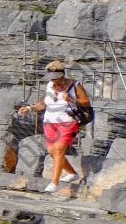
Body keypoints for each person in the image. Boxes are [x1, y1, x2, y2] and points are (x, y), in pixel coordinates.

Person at [17, 61, 92, 193]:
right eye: (51, 78)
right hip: (49, 122)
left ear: (62, 76)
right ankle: (72, 173)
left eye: (55, 79)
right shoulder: (50, 86)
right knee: (52, 151)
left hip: (68, 122)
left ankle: (54, 183)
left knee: (58, 149)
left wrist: (71, 99)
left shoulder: (75, 85)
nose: (53, 81)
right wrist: (29, 108)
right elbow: (43, 104)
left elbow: (86, 102)